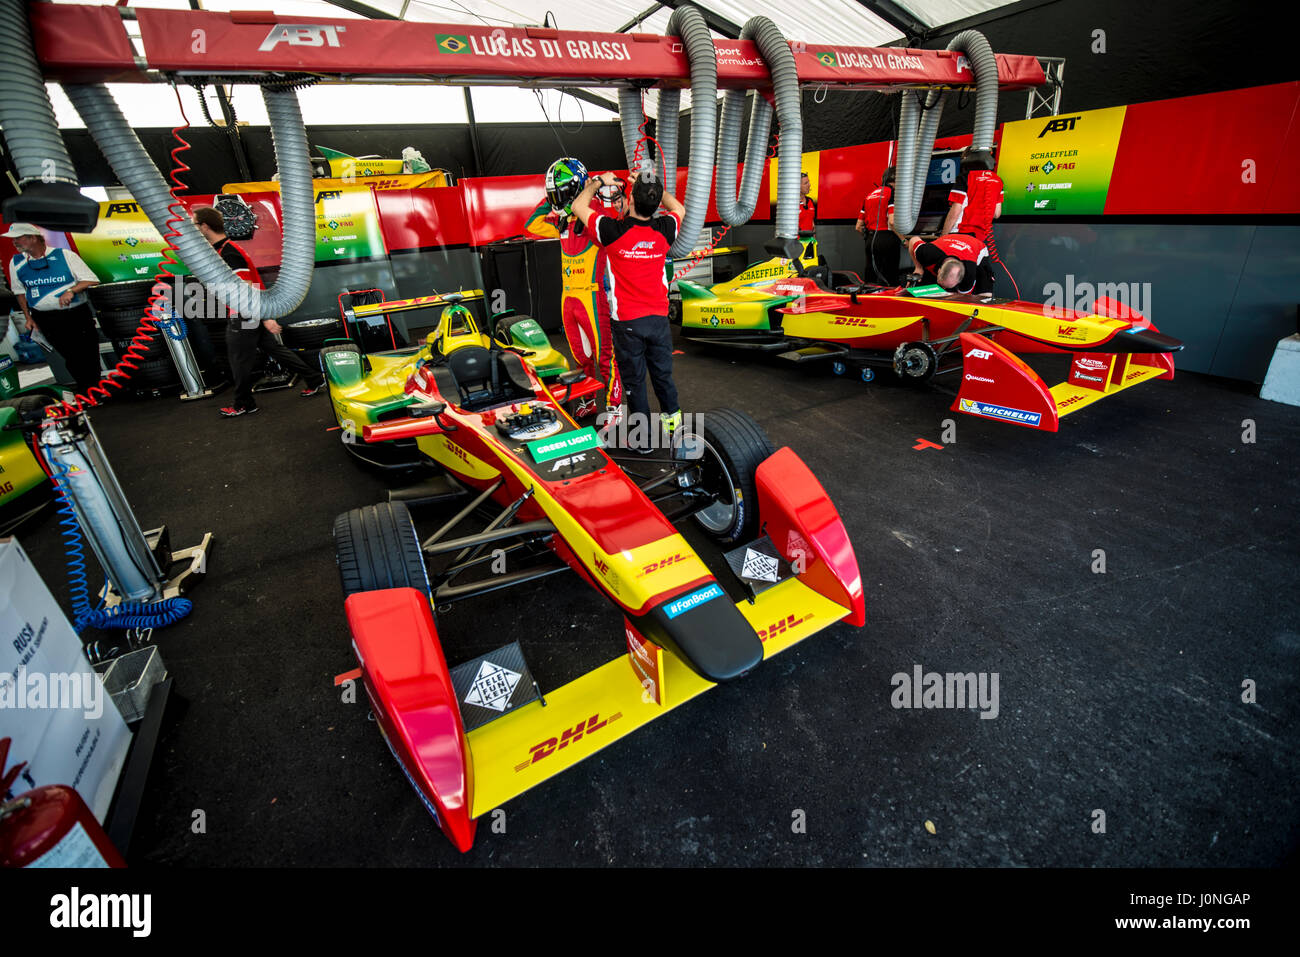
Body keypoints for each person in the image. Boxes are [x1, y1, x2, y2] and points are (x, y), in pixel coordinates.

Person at [572, 168, 684, 450]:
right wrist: (651, 191)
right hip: (659, 322)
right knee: (663, 379)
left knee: (634, 383)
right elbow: (677, 207)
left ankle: (645, 440)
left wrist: (599, 182)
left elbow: (577, 206)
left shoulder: (611, 231)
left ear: (630, 200)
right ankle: (677, 432)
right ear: (656, 204)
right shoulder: (665, 229)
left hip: (627, 324)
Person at [190, 206, 324, 417]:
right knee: (275, 350)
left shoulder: (229, 253)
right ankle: (315, 378)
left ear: (204, 226)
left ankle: (244, 403)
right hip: (247, 312)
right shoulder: (222, 251)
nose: (193, 229)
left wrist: (265, 317)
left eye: (194, 224)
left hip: (244, 314)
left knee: (238, 360)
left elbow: (248, 288)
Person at [523, 158, 623, 411]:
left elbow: (614, 223)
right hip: (568, 300)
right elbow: (530, 226)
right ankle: (588, 401)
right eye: (554, 195)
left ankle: (614, 408)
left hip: (592, 298)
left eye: (562, 193)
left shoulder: (595, 220)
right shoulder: (561, 224)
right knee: (581, 358)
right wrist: (551, 200)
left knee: (605, 358)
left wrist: (590, 193)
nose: (558, 199)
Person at [3, 223, 102, 393]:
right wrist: (28, 318)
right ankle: (87, 391)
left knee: (87, 353)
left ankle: (95, 389)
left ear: (32, 238)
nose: (14, 242)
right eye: (13, 239)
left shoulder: (64, 255)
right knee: (70, 355)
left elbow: (91, 279)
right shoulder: (17, 262)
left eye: (18, 238)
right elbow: (20, 292)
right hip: (46, 318)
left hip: (75, 314)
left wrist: (71, 290)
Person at [902, 233, 993, 295]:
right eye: (941, 284)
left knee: (984, 295)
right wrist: (918, 267)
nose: (944, 288)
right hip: (947, 244)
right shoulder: (927, 253)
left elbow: (965, 300)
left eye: (947, 286)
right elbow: (913, 239)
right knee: (922, 284)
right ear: (939, 270)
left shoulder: (969, 273)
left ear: (960, 280)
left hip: (977, 249)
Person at [855, 167, 900, 285]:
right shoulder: (893, 193)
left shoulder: (869, 195)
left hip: (870, 240)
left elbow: (858, 226)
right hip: (888, 238)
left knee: (870, 279)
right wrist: (903, 239)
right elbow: (892, 221)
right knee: (890, 279)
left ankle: (867, 301)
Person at [797, 172, 817, 236]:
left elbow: (812, 223)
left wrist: (813, 240)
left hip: (809, 242)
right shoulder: (792, 204)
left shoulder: (810, 201)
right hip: (796, 244)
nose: (809, 185)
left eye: (808, 182)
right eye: (806, 183)